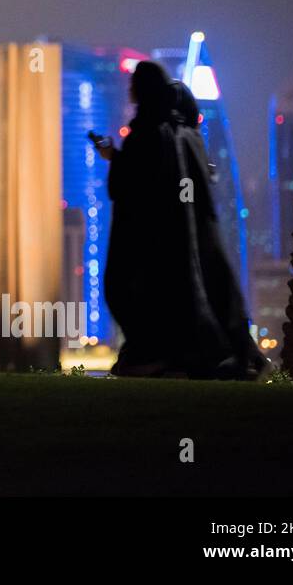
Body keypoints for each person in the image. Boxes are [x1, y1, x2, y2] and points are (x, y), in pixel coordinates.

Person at [99, 61, 229, 377]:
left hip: (140, 233)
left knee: (122, 289)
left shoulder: (150, 132)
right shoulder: (166, 132)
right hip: (157, 232)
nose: (128, 89)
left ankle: (151, 356)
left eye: (134, 83)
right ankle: (152, 355)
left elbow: (130, 183)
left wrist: (116, 160)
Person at [169, 80, 269, 380]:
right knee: (220, 299)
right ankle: (243, 360)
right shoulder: (194, 138)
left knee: (210, 299)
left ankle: (237, 362)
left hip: (196, 237)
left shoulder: (180, 139)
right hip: (207, 235)